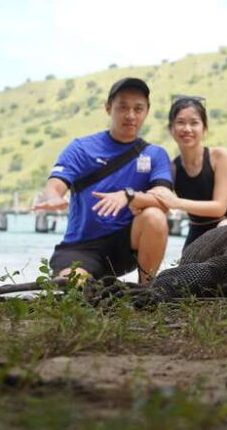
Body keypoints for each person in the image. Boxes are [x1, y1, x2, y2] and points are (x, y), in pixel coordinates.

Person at [33, 77, 173, 285]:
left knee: (155, 216)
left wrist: (129, 196)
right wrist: (53, 198)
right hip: (82, 248)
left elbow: (165, 199)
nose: (130, 115)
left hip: (125, 246)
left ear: (147, 111)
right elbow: (54, 186)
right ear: (108, 108)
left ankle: (146, 291)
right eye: (122, 107)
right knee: (71, 288)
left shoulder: (155, 154)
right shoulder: (81, 148)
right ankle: (94, 287)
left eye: (138, 108)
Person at [148, 96, 227, 249]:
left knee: (226, 230)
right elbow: (158, 196)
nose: (187, 129)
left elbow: (219, 208)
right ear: (171, 129)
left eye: (194, 123)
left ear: (204, 128)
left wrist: (176, 203)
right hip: (196, 230)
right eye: (180, 122)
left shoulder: (220, 156)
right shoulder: (172, 168)